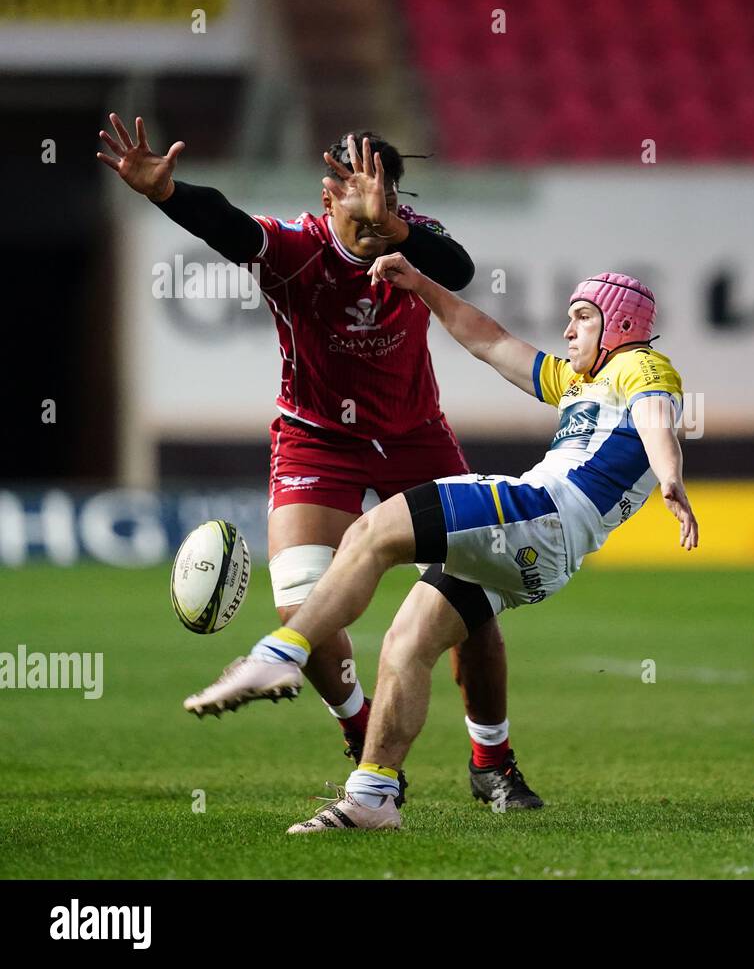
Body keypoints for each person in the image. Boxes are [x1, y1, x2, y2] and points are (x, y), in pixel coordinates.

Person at [97, 114, 540, 807]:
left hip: (417, 436)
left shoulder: (416, 244)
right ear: (328, 195)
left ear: (397, 197)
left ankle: (493, 761)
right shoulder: (294, 247)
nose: (369, 203)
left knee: (475, 604)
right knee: (305, 608)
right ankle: (361, 731)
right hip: (317, 440)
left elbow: (461, 270)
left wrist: (395, 231)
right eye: (350, 188)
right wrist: (167, 193)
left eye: (385, 192)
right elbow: (229, 225)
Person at [180, 264, 698, 832]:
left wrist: (670, 475)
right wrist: (422, 287)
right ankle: (373, 796)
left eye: (582, 317)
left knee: (372, 534)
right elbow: (492, 340)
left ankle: (276, 657)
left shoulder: (639, 364)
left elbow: (656, 416)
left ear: (620, 324)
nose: (568, 329)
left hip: (539, 512)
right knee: (407, 643)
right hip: (542, 554)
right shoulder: (580, 382)